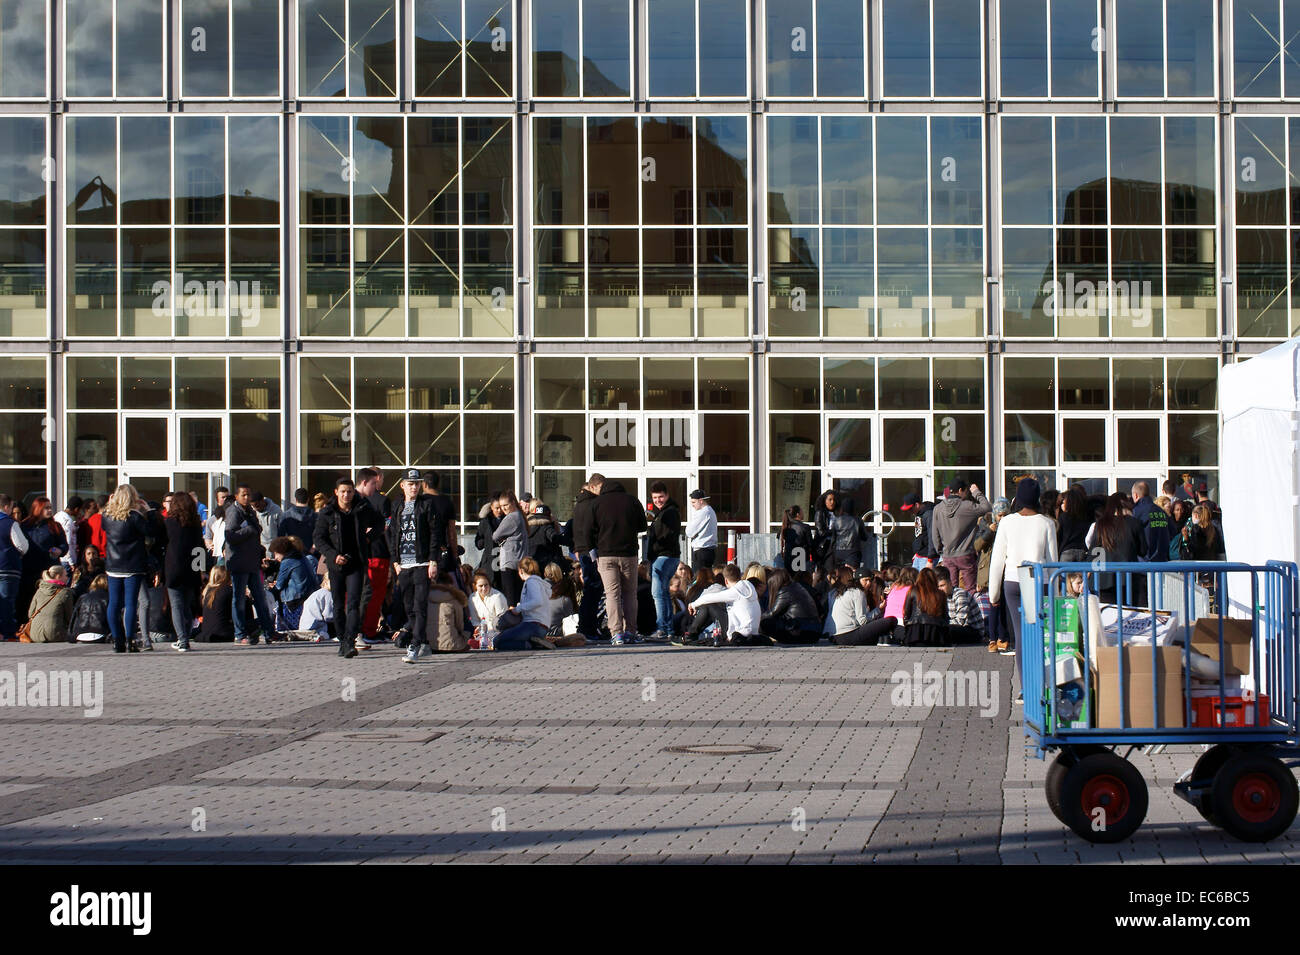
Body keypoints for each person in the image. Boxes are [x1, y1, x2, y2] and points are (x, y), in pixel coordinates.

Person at [989, 478, 1059, 696]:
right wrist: (1056, 594)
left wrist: (993, 594)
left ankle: (1025, 688)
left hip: (1013, 581)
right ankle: (1042, 684)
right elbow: (1052, 561)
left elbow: (997, 560)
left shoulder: (1007, 522)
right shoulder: (1047, 523)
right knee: (1040, 634)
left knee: (1020, 635)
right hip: (1039, 581)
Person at [314, 477, 382, 658]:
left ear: (354, 492)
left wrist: (367, 538)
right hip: (335, 563)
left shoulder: (362, 508)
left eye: (349, 491)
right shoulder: (328, 512)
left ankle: (350, 641)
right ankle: (342, 640)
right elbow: (319, 538)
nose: (346, 495)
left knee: (353, 603)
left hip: (356, 562)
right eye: (343, 491)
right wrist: (332, 555)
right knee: (337, 604)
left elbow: (380, 523)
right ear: (336, 492)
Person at [590, 478, 647, 646]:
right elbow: (643, 526)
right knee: (630, 594)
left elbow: (590, 529)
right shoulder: (632, 501)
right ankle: (631, 631)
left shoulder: (597, 503)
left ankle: (617, 633)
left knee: (612, 594)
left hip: (606, 554)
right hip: (629, 554)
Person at [388, 469, 437, 663]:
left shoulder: (426, 505)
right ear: (402, 485)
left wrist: (433, 560)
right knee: (408, 606)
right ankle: (423, 642)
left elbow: (434, 533)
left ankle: (414, 645)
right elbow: (393, 533)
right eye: (410, 484)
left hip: (422, 562)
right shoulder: (397, 506)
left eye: (417, 484)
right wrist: (395, 561)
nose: (414, 487)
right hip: (403, 564)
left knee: (420, 605)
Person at [224, 485, 281, 646]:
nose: (247, 498)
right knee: (239, 599)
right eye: (243, 495)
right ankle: (239, 634)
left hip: (252, 562)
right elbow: (230, 536)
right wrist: (249, 530)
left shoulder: (249, 511)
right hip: (239, 562)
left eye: (248, 494)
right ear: (236, 496)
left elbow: (256, 532)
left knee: (260, 598)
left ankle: (269, 632)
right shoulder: (234, 512)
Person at [102, 484, 151, 654]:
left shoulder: (107, 516)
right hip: (132, 564)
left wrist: (109, 504)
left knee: (114, 603)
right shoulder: (134, 517)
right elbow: (150, 531)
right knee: (131, 603)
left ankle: (118, 641)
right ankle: (130, 641)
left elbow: (104, 527)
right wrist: (148, 511)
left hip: (113, 565)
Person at [355, 467, 393, 642]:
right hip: (378, 552)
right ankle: (368, 630)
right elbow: (387, 528)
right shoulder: (382, 501)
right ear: (377, 478)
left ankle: (358, 629)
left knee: (360, 593)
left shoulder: (355, 500)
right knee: (376, 593)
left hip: (362, 553)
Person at [1085, 493, 1144, 604]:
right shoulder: (1134, 523)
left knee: (1106, 613)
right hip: (1128, 578)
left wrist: (1088, 574)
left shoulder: (1101, 524)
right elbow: (1143, 550)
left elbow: (1094, 552)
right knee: (1128, 612)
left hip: (1103, 579)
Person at [19, 496, 68, 630]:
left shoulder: (55, 526)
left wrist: (59, 550)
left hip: (48, 569)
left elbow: (64, 545)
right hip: (29, 569)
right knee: (27, 599)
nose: (49, 510)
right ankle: (26, 628)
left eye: (50, 507)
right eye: (46, 508)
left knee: (47, 600)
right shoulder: (25, 526)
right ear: (38, 509)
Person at [164, 489, 204, 652]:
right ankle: (185, 637)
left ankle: (182, 639)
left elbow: (163, 542)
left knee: (176, 605)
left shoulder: (169, 522)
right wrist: (201, 569)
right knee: (187, 605)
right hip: (191, 568)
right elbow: (200, 547)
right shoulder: (195, 523)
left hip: (173, 567)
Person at [688, 563, 761, 646]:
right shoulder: (749, 586)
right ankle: (692, 633)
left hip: (740, 634)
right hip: (753, 632)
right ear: (739, 576)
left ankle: (690, 635)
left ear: (726, 580)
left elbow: (709, 598)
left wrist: (692, 605)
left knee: (709, 606)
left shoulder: (734, 592)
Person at [569, 476, 605, 641]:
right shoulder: (592, 504)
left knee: (590, 589)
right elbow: (593, 529)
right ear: (592, 487)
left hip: (583, 550)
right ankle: (588, 627)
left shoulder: (580, 504)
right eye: (600, 488)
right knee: (593, 589)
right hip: (590, 550)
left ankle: (587, 627)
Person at [646, 481, 682, 641]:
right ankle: (668, 629)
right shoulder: (665, 512)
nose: (658, 500)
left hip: (664, 556)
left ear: (667, 495)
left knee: (658, 594)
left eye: (661, 497)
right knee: (664, 593)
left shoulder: (669, 513)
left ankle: (662, 628)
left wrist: (654, 546)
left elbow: (666, 535)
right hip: (668, 556)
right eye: (655, 497)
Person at [494, 557, 555, 650]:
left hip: (532, 625)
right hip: (542, 627)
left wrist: (518, 609)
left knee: (497, 641)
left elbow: (537, 601)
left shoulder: (531, 582)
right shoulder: (539, 582)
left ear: (521, 571)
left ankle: (530, 645)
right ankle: (534, 643)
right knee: (503, 640)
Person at [759, 567, 823, 645]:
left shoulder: (785, 591)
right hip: (813, 631)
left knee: (765, 623)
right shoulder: (796, 587)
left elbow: (772, 613)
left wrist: (757, 619)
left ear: (775, 582)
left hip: (801, 631)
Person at [268, 536, 319, 633]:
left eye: (276, 553)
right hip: (308, 595)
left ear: (281, 551)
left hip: (295, 600)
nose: (275, 557)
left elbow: (279, 585)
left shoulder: (287, 562)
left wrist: (269, 590)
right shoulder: (302, 557)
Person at [0, 494, 30, 641]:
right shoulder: (10, 523)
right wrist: (18, 555)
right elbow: (22, 545)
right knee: (7, 601)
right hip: (8, 567)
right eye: (11, 507)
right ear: (6, 507)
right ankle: (8, 633)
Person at [491, 490, 528, 607]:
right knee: (518, 600)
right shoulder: (520, 515)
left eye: (506, 505)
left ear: (513, 502)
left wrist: (503, 539)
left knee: (510, 602)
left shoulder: (511, 517)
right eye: (501, 506)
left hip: (509, 562)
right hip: (519, 562)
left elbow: (495, 536)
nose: (503, 508)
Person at [26, 565, 75, 643]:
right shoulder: (65, 592)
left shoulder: (39, 590)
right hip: (56, 635)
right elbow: (69, 617)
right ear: (58, 576)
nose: (67, 578)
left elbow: (30, 614)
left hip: (34, 635)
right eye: (65, 575)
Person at [935, 565, 983, 644]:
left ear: (950, 583)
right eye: (937, 586)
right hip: (955, 627)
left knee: (945, 630)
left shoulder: (960, 594)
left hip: (973, 630)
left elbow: (960, 621)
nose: (940, 589)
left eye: (942, 585)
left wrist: (939, 624)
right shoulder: (939, 596)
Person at [1130, 481, 1172, 564]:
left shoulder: (1136, 512)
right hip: (1162, 561)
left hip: (1144, 562)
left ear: (1135, 495)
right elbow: (1172, 532)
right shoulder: (1161, 511)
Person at [469, 570, 509, 650]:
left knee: (495, 639)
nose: (484, 588)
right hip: (482, 630)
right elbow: (474, 619)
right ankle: (480, 641)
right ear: (475, 586)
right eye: (480, 586)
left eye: (486, 585)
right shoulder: (472, 597)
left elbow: (501, 620)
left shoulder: (497, 596)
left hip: (497, 629)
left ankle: (484, 642)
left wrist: (487, 628)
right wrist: (478, 628)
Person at [197, 567, 236, 643]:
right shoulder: (228, 590)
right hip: (224, 632)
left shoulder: (206, 592)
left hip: (206, 632)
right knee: (255, 623)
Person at [69, 573, 111, 643]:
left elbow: (74, 617)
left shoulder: (83, 597)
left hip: (80, 634)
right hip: (100, 633)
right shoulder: (108, 598)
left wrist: (71, 636)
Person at [1056, 484, 1092, 562]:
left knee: (1064, 570)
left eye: (1063, 502)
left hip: (1067, 550)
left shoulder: (1063, 517)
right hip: (1082, 551)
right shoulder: (1086, 516)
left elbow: (1058, 536)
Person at [684, 489, 718, 572]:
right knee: (706, 576)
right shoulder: (710, 510)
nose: (692, 505)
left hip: (702, 551)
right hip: (708, 550)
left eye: (694, 502)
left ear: (701, 501)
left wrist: (693, 533)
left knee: (700, 577)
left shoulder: (703, 512)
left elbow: (689, 532)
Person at [298, 567, 334, 641]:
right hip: (317, 628)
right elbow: (329, 616)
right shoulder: (328, 594)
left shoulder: (318, 593)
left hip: (305, 627)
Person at [279, 489, 317, 555]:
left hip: (292, 552)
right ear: (308, 499)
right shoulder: (315, 516)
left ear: (296, 499)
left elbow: (280, 537)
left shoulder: (286, 516)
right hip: (311, 552)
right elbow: (319, 535)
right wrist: (313, 548)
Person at [780, 505, 814, 573]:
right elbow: (810, 545)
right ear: (798, 514)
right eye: (802, 512)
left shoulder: (786, 527)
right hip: (801, 560)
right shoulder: (805, 527)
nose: (803, 513)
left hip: (788, 560)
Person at [53, 497, 83, 573]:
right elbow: (68, 542)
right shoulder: (68, 521)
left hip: (58, 556)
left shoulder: (57, 515)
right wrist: (71, 562)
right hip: (66, 560)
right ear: (76, 509)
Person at [203, 487, 230, 554]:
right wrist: (211, 545)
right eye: (223, 497)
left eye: (227, 497)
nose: (226, 500)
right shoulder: (212, 520)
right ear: (217, 500)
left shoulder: (236, 515)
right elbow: (208, 538)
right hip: (218, 554)